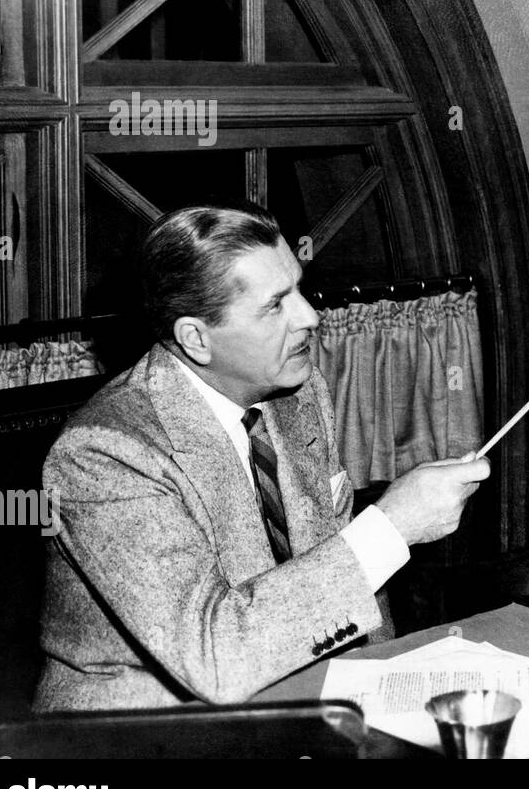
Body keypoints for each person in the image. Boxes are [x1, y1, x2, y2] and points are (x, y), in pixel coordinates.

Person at [34, 202, 489, 710]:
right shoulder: (103, 455)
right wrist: (392, 527)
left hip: (297, 696)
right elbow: (216, 662)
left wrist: (388, 697)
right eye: (276, 305)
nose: (310, 317)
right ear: (196, 339)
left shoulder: (298, 390)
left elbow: (342, 574)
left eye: (298, 287)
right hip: (148, 731)